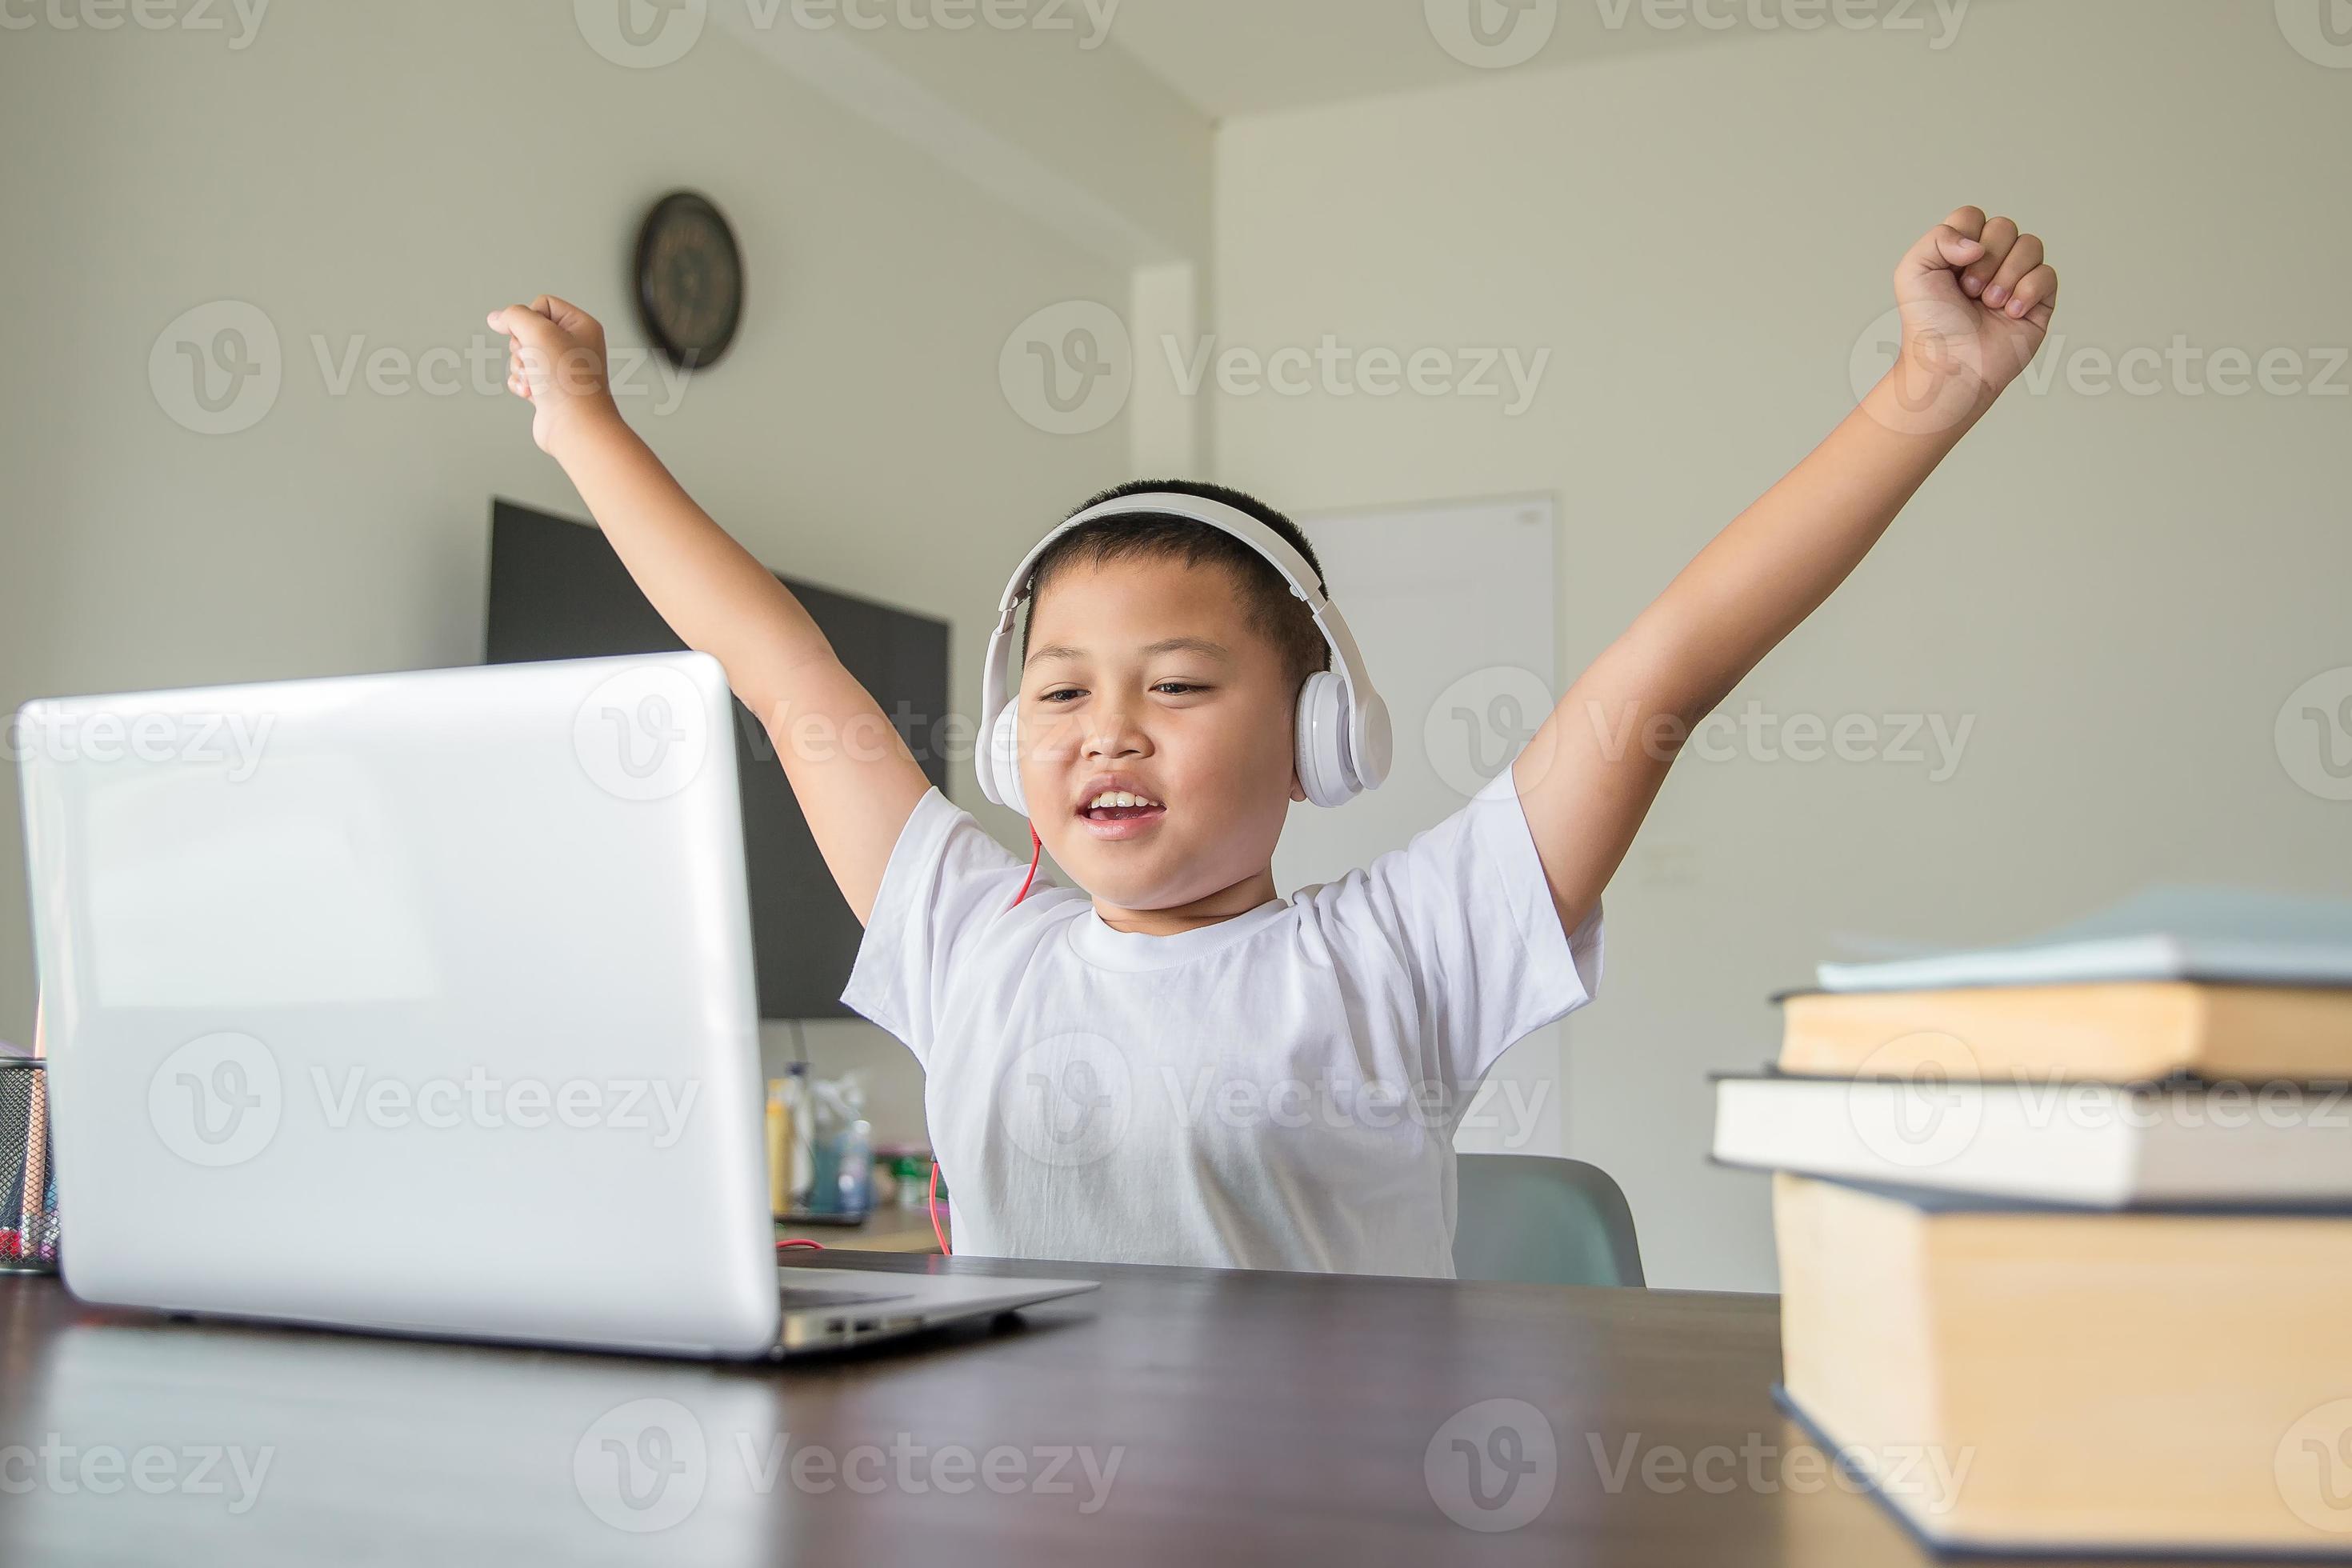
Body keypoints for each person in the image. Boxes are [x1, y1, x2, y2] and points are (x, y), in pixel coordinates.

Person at [488, 206, 2058, 1274]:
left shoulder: (1411, 945)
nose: (1108, 728)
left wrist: (1930, 384)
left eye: (1175, 685)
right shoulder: (970, 937)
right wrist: (583, 426)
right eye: (1057, 692)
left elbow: (1673, 659)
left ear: (1318, 730)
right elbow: (778, 667)